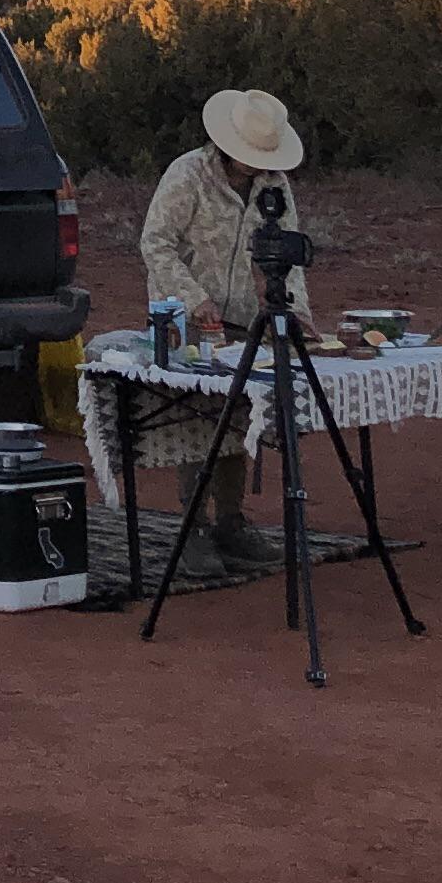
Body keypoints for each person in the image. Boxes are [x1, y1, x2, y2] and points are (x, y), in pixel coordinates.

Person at [138, 86, 312, 560]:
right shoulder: (187, 174)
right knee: (198, 423)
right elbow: (156, 244)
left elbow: (288, 255)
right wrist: (193, 299)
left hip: (246, 321)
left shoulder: (274, 186)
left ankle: (231, 522)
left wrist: (296, 313)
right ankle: (193, 527)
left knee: (240, 421)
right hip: (184, 319)